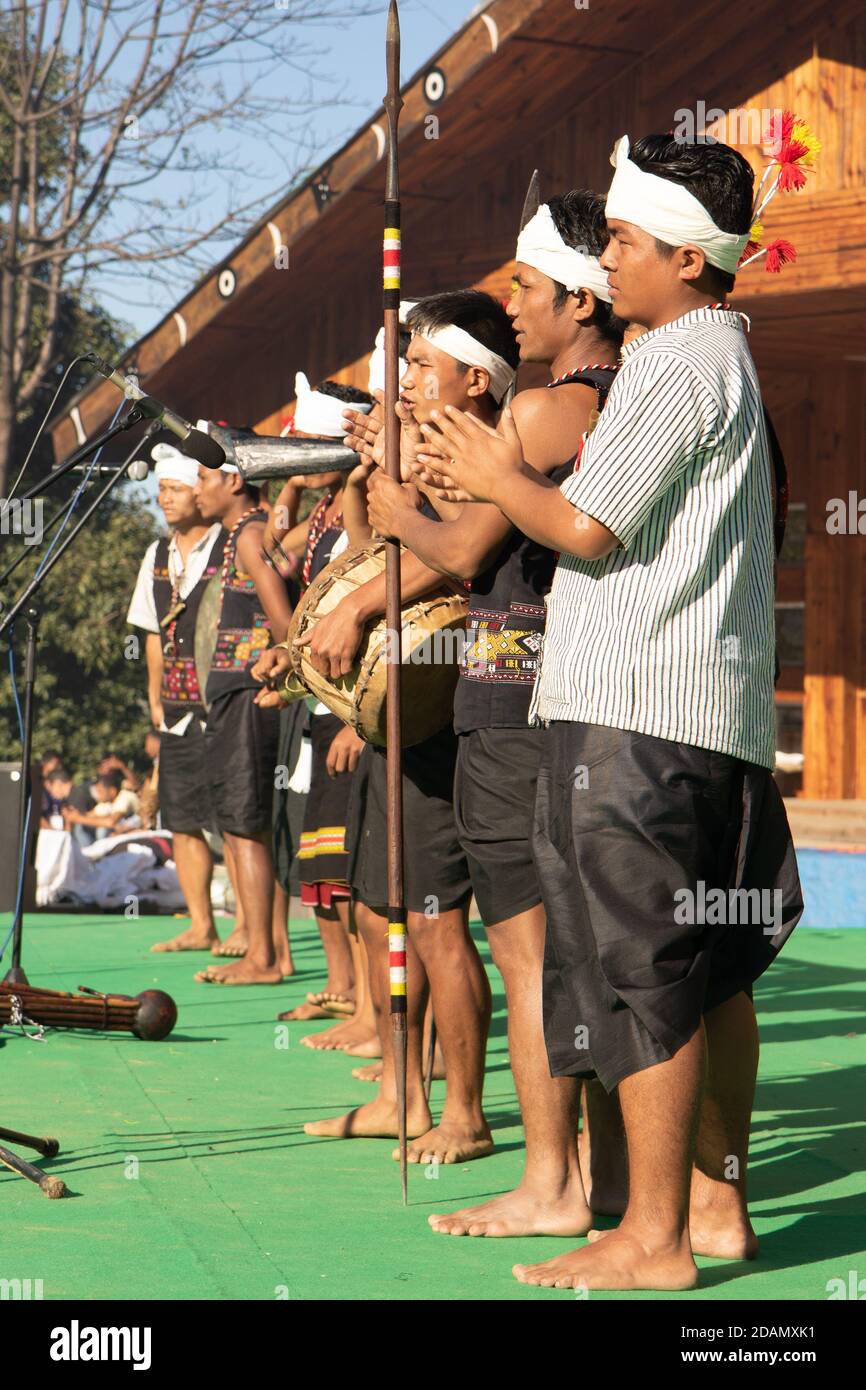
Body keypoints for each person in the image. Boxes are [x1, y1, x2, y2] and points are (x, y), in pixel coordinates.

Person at [415, 135, 803, 1290]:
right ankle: (714, 1210)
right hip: (696, 715)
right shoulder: (715, 354)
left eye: (625, 242)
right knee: (708, 971)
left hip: (636, 718)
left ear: (686, 260)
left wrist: (493, 479)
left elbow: (586, 528)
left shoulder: (675, 359)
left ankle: (656, 1235)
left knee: (645, 972)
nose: (610, 259)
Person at [366, 193, 627, 1234]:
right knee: (550, 954)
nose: (513, 303)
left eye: (524, 285)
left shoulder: (559, 404)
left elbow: (470, 552)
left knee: (530, 957)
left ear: (578, 294)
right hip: (525, 703)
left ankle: (552, 1181)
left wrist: (405, 516)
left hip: (519, 708)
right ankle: (584, 1178)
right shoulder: (576, 402)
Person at [296, 291, 517, 1163]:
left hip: (463, 699)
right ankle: (404, 1094)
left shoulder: (496, 448)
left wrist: (355, 607)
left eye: (422, 365)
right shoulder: (431, 445)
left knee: (439, 918)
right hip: (419, 707)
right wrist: (376, 483)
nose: (407, 379)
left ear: (474, 378)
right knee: (402, 911)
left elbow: (456, 552)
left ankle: (465, 1110)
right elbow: (381, 543)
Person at [255, 377, 376, 1024]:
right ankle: (343, 990)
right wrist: (289, 660)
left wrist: (362, 716)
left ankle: (368, 1006)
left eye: (308, 449)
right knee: (323, 865)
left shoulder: (369, 500)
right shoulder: (324, 511)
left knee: (355, 871)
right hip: (325, 708)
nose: (297, 460)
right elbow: (279, 564)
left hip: (361, 712)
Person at [192, 444, 296, 985]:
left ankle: (264, 957)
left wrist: (282, 675)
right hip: (234, 692)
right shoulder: (242, 534)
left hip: (250, 692)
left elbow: (285, 625)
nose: (197, 488)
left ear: (236, 481)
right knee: (240, 826)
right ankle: (268, 949)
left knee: (248, 827)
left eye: (206, 476)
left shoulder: (253, 535)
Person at [126, 442, 228, 954]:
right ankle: (201, 924)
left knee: (234, 817)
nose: (164, 499)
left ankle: (256, 933)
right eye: (161, 489)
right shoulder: (156, 555)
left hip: (228, 702)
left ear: (198, 492)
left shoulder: (229, 544)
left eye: (173, 489)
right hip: (177, 706)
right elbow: (149, 632)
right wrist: (154, 698)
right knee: (183, 815)